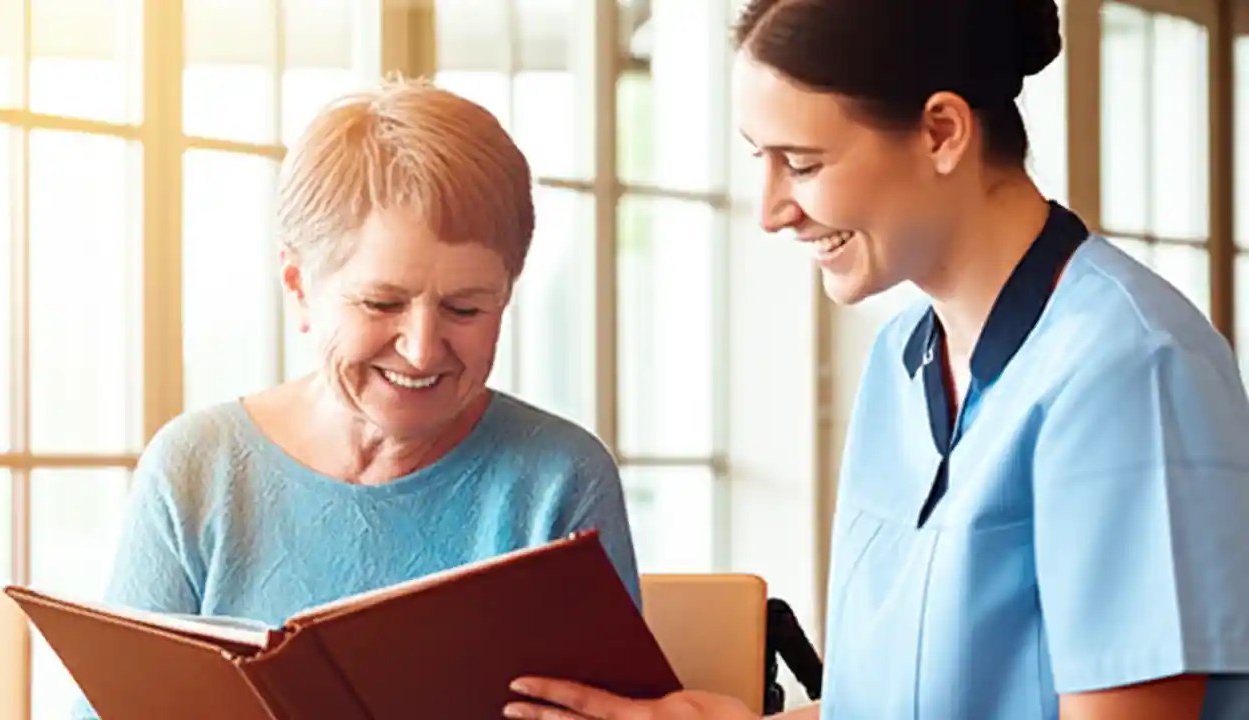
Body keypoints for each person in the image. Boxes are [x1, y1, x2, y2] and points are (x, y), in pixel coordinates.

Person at [504, 0, 1249, 718]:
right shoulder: (902, 359)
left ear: (941, 132)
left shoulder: (1131, 370)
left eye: (801, 163)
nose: (770, 210)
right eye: (760, 160)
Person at [70, 79, 640, 718]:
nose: (423, 349)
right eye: (381, 303)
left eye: (465, 308)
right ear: (299, 287)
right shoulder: (195, 468)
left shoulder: (560, 477)